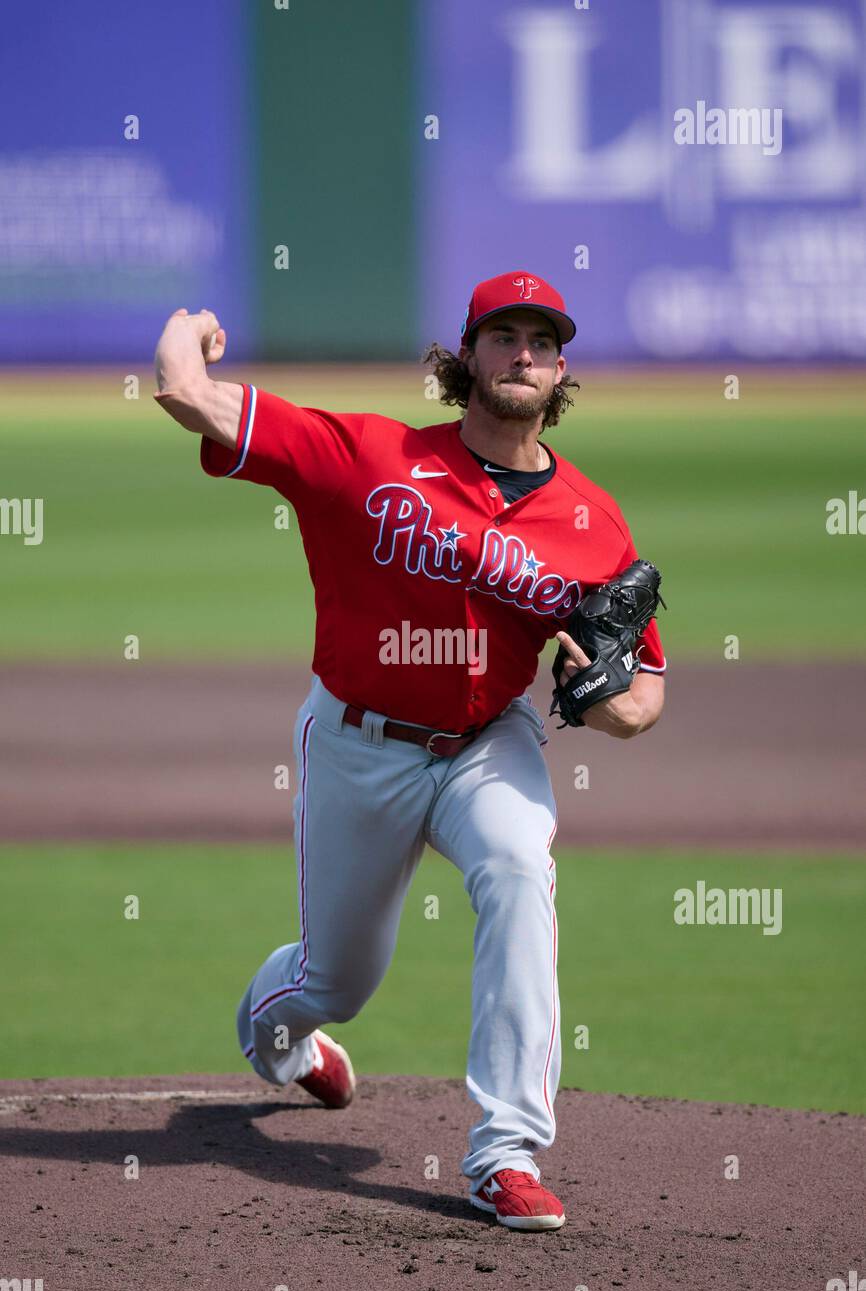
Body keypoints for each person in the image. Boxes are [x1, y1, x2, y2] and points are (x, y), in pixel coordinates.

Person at [152, 270, 666, 1232]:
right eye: (503, 336)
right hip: (359, 743)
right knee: (336, 983)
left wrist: (602, 705)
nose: (523, 354)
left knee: (519, 866)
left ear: (561, 372)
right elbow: (188, 397)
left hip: (488, 739)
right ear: (464, 356)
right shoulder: (367, 454)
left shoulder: (593, 525)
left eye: (542, 342)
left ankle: (505, 1151)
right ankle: (287, 1047)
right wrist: (189, 331)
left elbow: (641, 699)